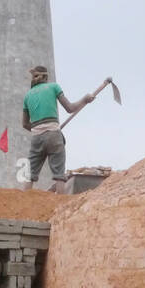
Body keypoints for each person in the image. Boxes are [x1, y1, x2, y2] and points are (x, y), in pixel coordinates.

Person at [21, 66, 90, 194]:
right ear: (46, 77)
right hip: (54, 135)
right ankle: (60, 205)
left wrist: (38, 128)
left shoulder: (27, 96)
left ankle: (23, 201)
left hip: (36, 138)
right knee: (59, 174)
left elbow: (25, 124)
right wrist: (85, 100)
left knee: (29, 174)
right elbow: (70, 108)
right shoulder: (54, 87)